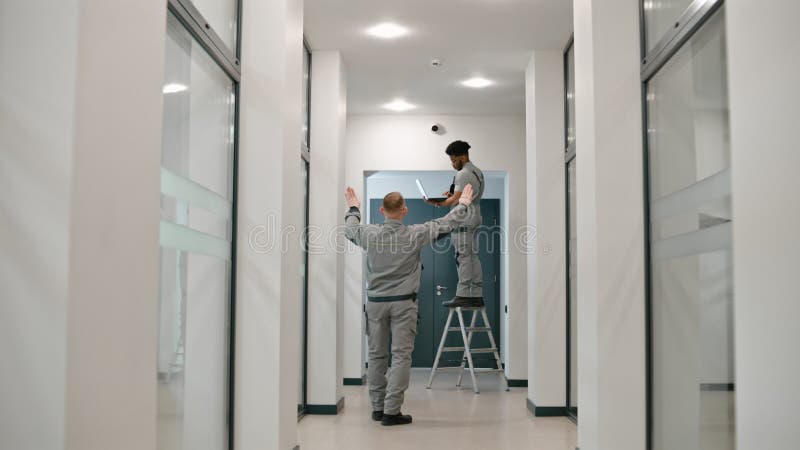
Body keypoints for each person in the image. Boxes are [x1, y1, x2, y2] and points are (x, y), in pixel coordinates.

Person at [344, 184, 475, 426]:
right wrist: (463, 204)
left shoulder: (368, 234)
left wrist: (354, 207)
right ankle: (391, 411)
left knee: (376, 356)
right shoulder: (415, 233)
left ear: (383, 210)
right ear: (404, 210)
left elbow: (349, 228)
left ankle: (377, 407)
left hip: (375, 304)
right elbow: (445, 223)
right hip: (403, 305)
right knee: (401, 356)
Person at [426, 140, 485, 308]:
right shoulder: (478, 172)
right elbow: (465, 194)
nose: (452, 164)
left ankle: (464, 294)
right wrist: (452, 194)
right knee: (473, 255)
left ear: (462, 156)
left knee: (462, 255)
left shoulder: (462, 173)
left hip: (464, 218)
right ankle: (477, 293)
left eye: (454, 160)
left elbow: (456, 200)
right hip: (475, 216)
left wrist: (437, 202)